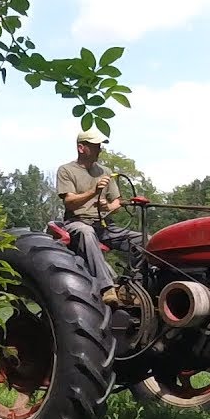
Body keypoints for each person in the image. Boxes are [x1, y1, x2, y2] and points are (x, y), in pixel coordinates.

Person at [56, 129, 144, 307]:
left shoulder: (105, 171)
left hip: (104, 225)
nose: (100, 149)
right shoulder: (66, 170)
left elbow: (117, 203)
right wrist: (93, 192)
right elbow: (69, 202)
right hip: (77, 223)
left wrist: (108, 207)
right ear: (82, 148)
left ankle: (131, 286)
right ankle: (107, 288)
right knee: (87, 232)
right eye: (95, 146)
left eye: (99, 145)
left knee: (145, 240)